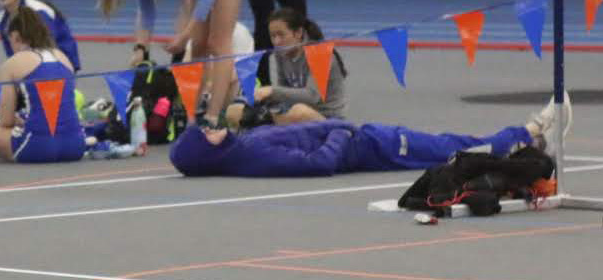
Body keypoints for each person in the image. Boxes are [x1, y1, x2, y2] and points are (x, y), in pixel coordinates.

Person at [169, 98, 568, 178]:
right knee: (456, 151)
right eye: (205, 134)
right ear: (207, 152)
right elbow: (319, 163)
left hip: (369, 137)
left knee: (452, 142)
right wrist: (342, 133)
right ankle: (532, 129)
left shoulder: (243, 145)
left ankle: (528, 142)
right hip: (371, 145)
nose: (211, 127)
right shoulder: (253, 158)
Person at [96, 0, 248, 127]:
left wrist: (183, 37)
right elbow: (147, 9)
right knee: (199, 46)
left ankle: (213, 115)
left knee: (218, 43)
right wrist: (140, 49)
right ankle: (192, 113)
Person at [0, 6, 86, 163]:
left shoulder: (13, 64)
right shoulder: (63, 58)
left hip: (37, 147)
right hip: (75, 145)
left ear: (16, 37)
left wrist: (16, 119)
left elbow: (6, 121)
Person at [225, 7, 345, 128]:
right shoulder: (281, 54)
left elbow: (313, 96)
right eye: (273, 36)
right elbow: (285, 94)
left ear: (298, 33)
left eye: (281, 35)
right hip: (293, 114)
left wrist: (271, 91)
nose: (276, 42)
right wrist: (261, 102)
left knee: (299, 111)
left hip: (325, 118)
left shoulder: (320, 54)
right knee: (234, 111)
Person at [0, 0, 79, 69]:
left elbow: (49, 43)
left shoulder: (36, 9)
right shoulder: (1, 19)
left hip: (62, 57)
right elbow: (11, 52)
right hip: (32, 61)